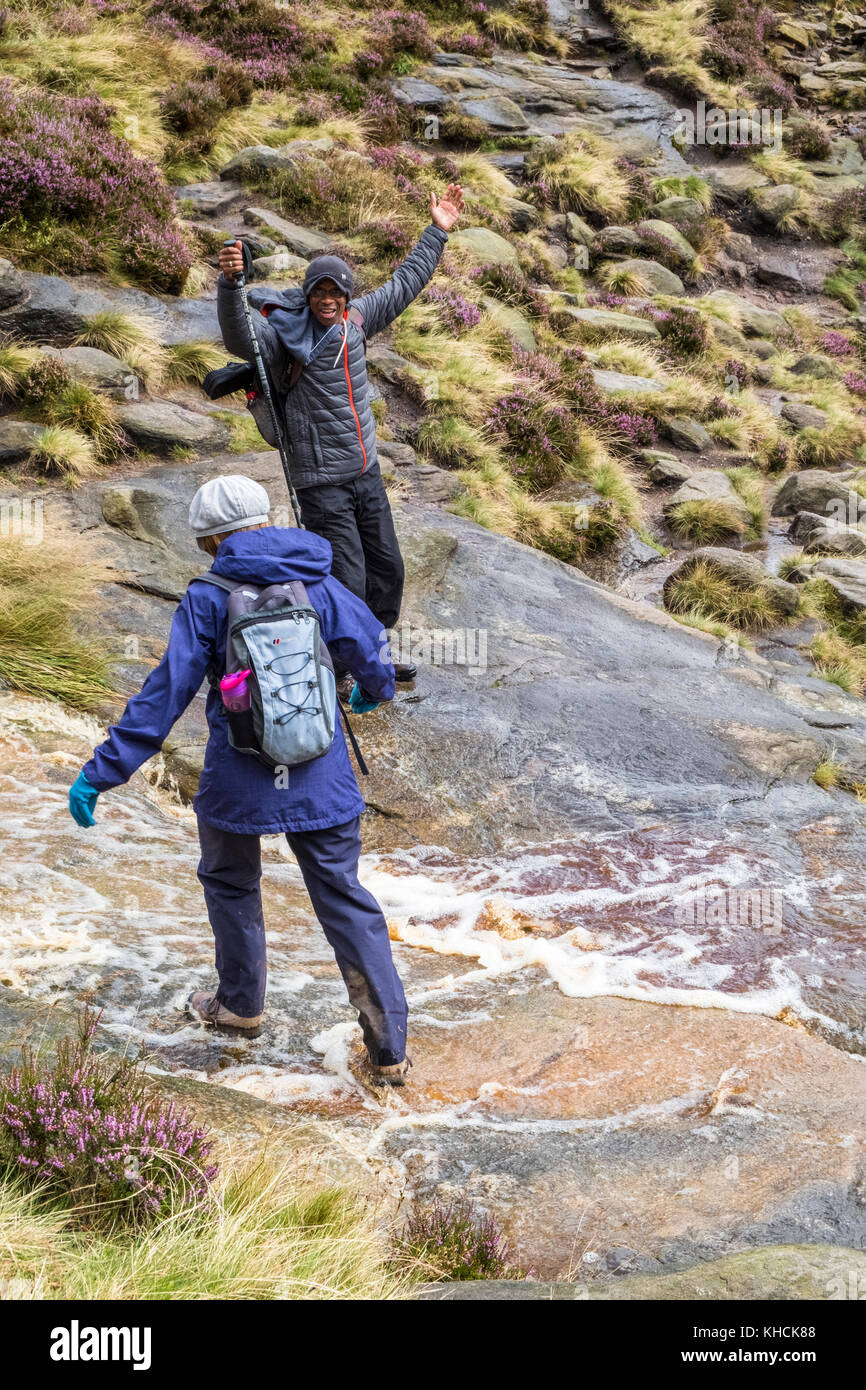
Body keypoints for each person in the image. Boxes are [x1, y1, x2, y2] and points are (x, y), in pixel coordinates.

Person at [67, 475, 412, 1086]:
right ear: (265, 520)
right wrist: (370, 690)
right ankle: (389, 1050)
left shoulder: (209, 595)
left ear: (214, 539)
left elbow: (165, 694)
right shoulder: (320, 581)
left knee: (231, 884)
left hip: (238, 780)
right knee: (346, 901)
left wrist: (103, 771)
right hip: (320, 773)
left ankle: (240, 1009)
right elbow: (373, 650)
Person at [217, 183, 464, 697]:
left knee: (387, 571)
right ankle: (344, 668)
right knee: (347, 580)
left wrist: (437, 230)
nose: (328, 300)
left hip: (364, 470)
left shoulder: (357, 321)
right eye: (319, 292)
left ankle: (371, 654)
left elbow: (406, 282)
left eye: (336, 292)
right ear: (308, 297)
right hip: (319, 482)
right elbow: (240, 335)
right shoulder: (282, 336)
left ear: (347, 297)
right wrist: (231, 283)